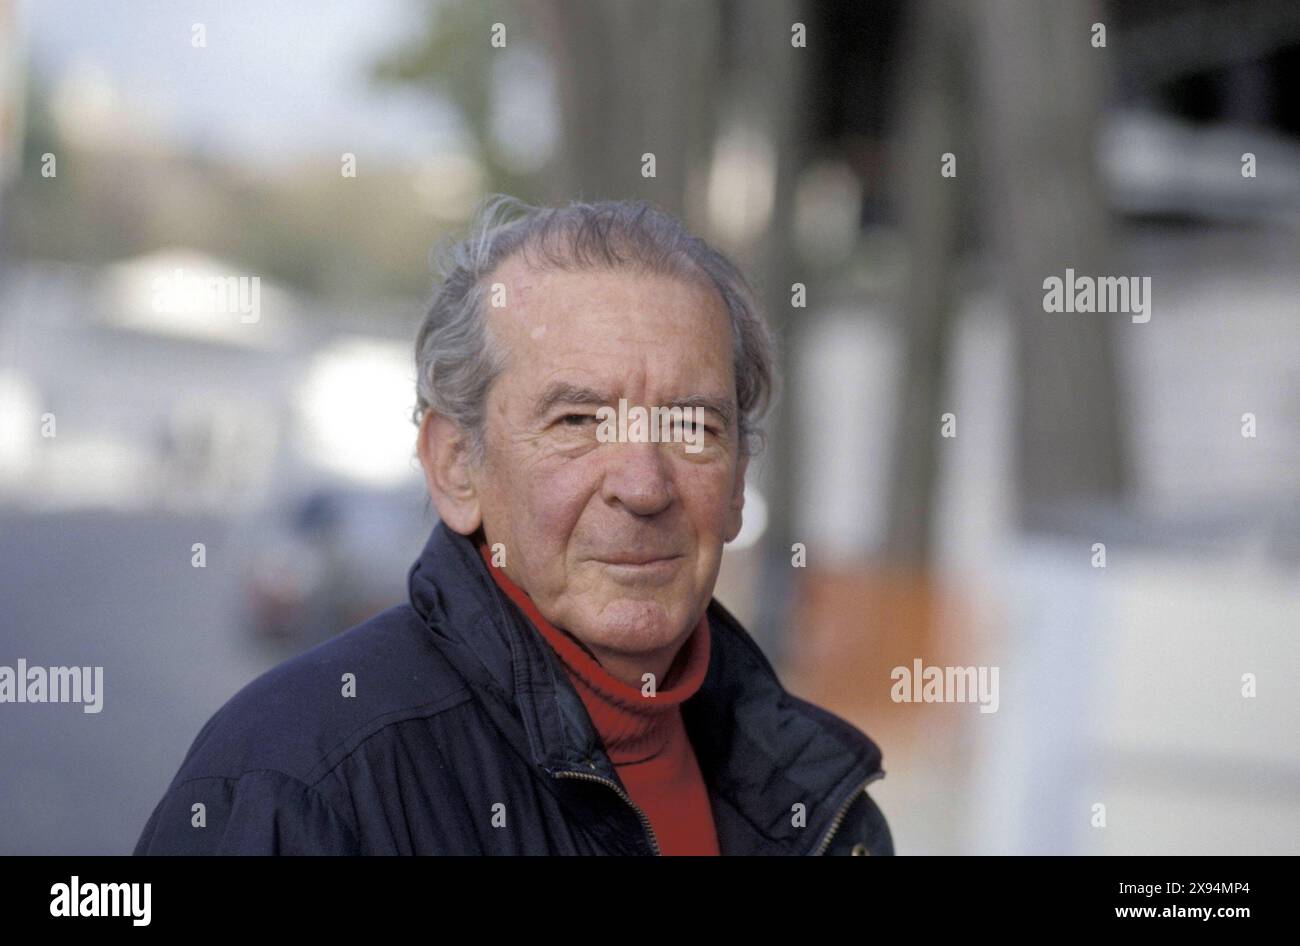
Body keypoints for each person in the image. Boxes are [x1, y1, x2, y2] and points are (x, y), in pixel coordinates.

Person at [133, 195, 894, 855]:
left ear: (735, 486)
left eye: (693, 425)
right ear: (456, 466)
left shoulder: (825, 807)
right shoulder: (295, 784)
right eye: (578, 420)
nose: (643, 485)